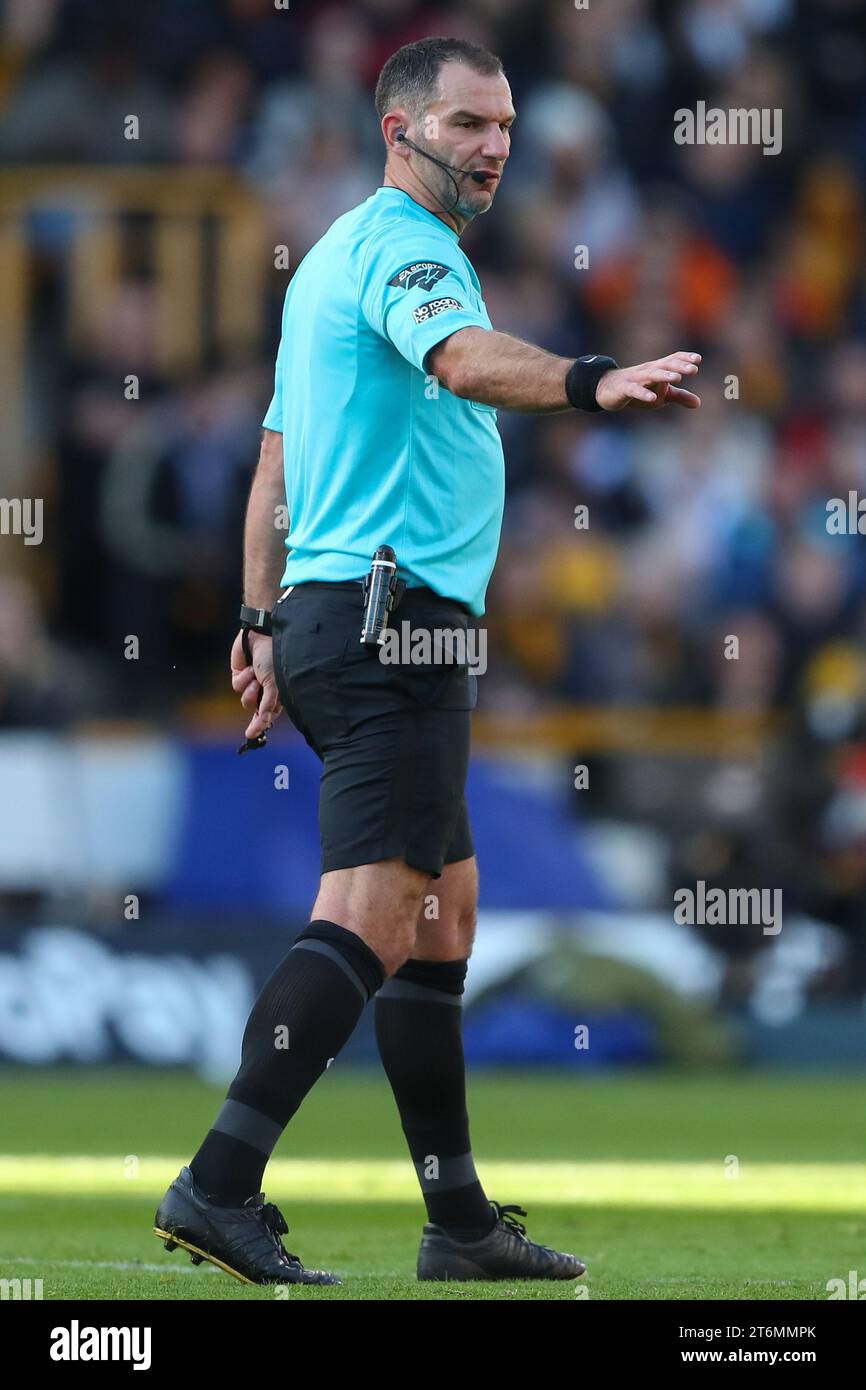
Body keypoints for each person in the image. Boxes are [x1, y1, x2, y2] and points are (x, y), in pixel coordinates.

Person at [154, 35, 701, 1287]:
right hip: (389, 620)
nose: (496, 146)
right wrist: (591, 378)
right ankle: (217, 1183)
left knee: (442, 912)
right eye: (468, 124)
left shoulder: (328, 261)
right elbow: (462, 360)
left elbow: (278, 468)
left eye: (504, 124)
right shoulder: (408, 252)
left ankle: (456, 1225)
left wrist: (255, 624)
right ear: (399, 129)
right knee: (375, 909)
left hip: (355, 618)